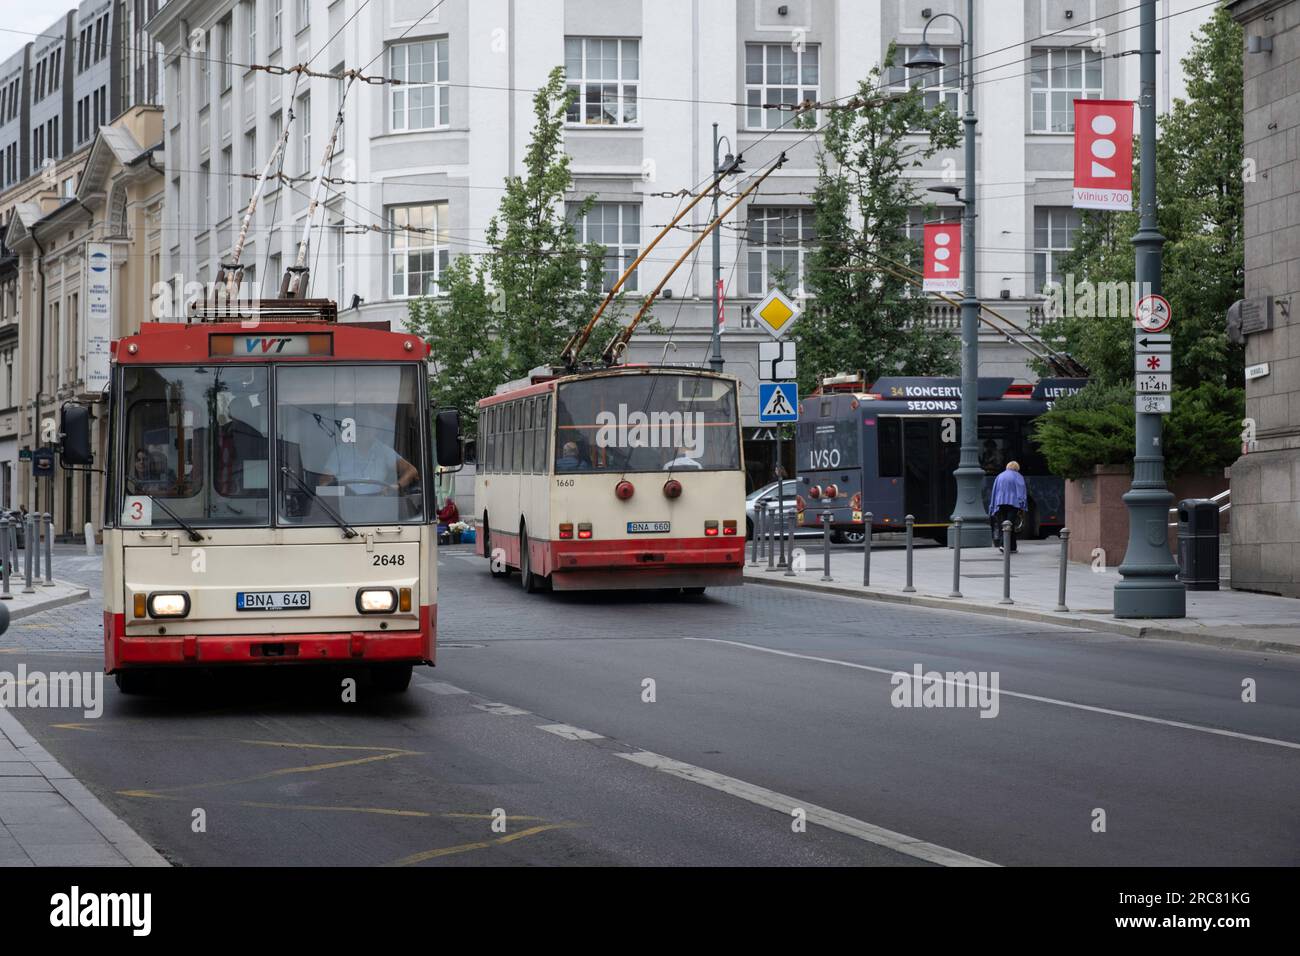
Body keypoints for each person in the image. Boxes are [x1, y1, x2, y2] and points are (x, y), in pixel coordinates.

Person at [321, 409, 419, 495]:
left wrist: (396, 486)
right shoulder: (341, 451)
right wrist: (333, 492)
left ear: (375, 430)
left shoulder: (383, 451)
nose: (366, 431)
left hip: (377, 504)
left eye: (370, 427)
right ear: (356, 428)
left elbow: (412, 471)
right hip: (344, 505)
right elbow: (324, 483)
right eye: (362, 427)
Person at [989, 460, 1027, 553]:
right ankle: (1003, 545)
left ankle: (1013, 547)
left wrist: (992, 507)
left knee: (1005, 523)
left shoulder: (999, 476)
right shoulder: (1018, 476)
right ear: (1017, 468)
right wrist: (1022, 506)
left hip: (1000, 503)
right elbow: (1021, 492)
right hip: (1013, 503)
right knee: (1010, 524)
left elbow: (994, 491)